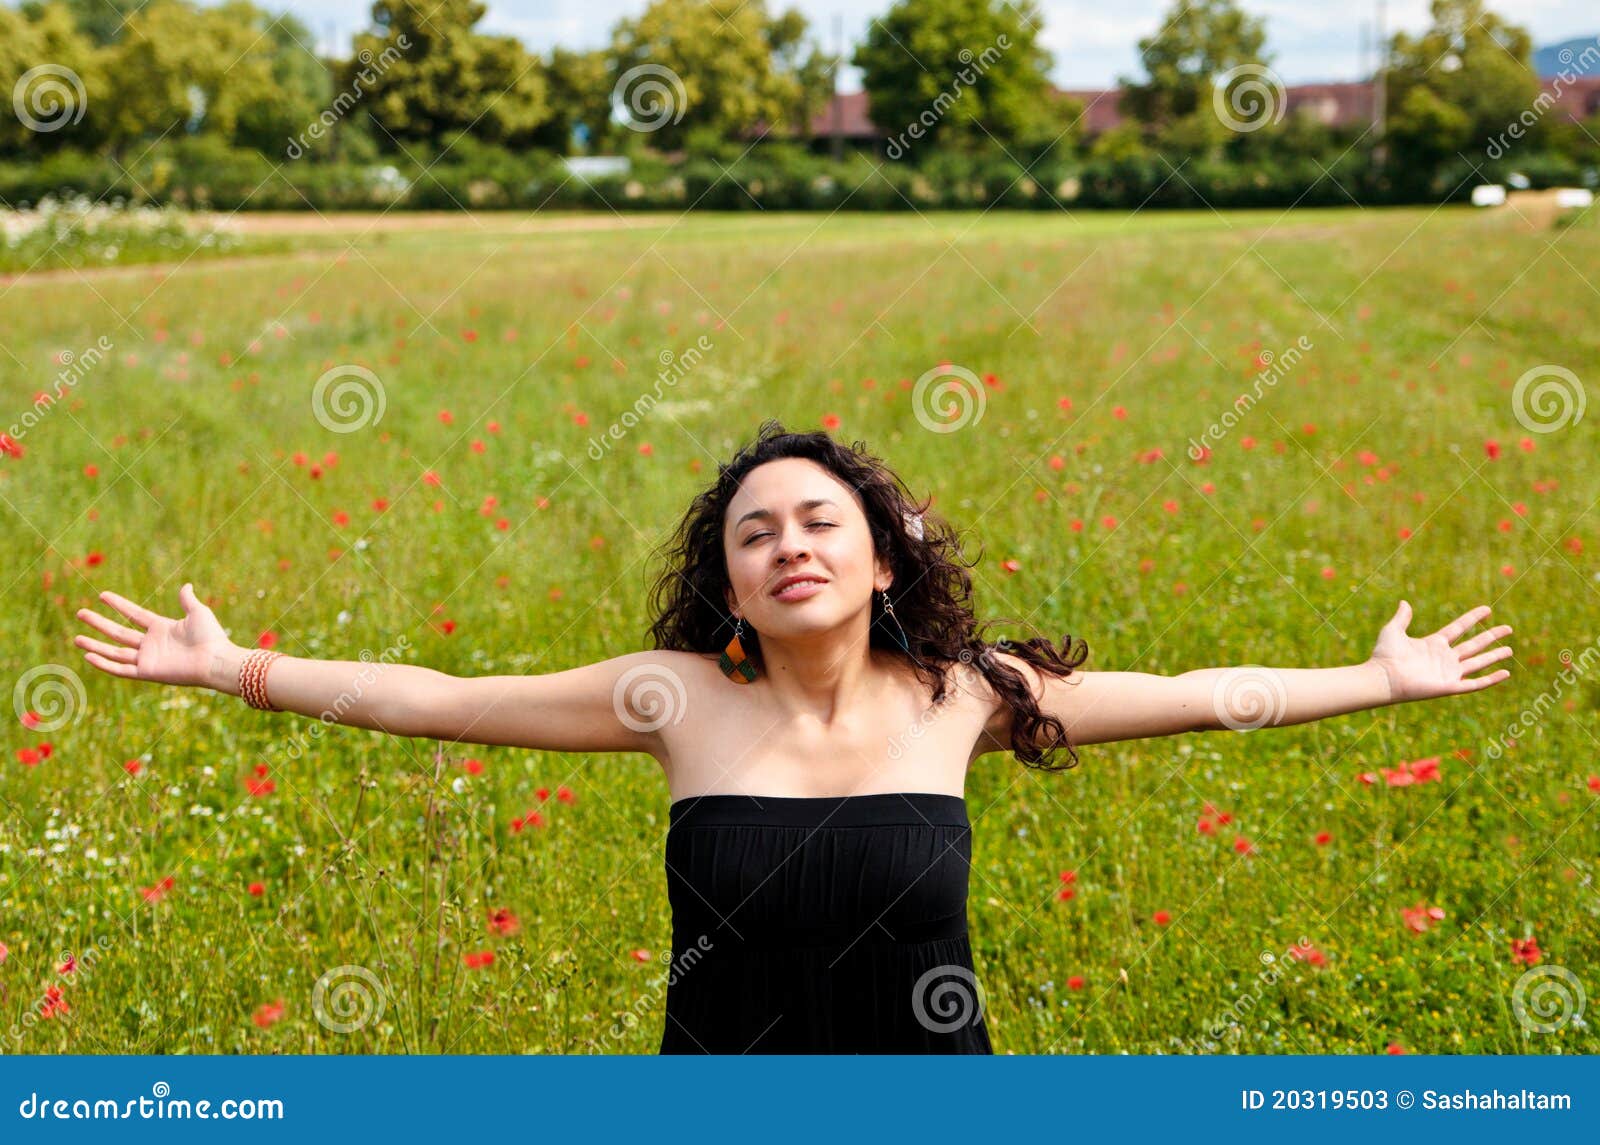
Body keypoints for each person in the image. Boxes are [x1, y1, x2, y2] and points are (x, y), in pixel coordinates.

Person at [72, 419, 1514, 1053]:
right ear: (733, 580)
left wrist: (1378, 681)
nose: (789, 544)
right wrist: (237, 668)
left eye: (821, 519)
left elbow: (1208, 689)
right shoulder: (672, 697)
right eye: (756, 532)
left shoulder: (965, 698)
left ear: (883, 558)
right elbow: (438, 698)